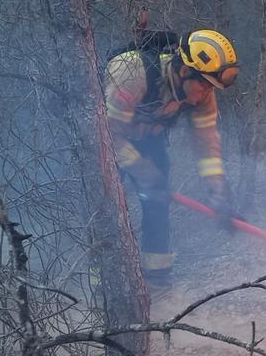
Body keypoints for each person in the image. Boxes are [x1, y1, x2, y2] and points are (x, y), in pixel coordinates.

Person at [103, 29, 240, 287]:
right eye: (204, 84)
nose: (206, 93)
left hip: (145, 137)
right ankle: (103, 282)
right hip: (103, 139)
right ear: (184, 71)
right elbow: (108, 135)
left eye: (212, 87)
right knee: (106, 204)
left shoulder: (202, 92)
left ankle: (156, 278)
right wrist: (143, 170)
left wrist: (218, 192)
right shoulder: (131, 72)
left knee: (158, 196)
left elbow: (207, 144)